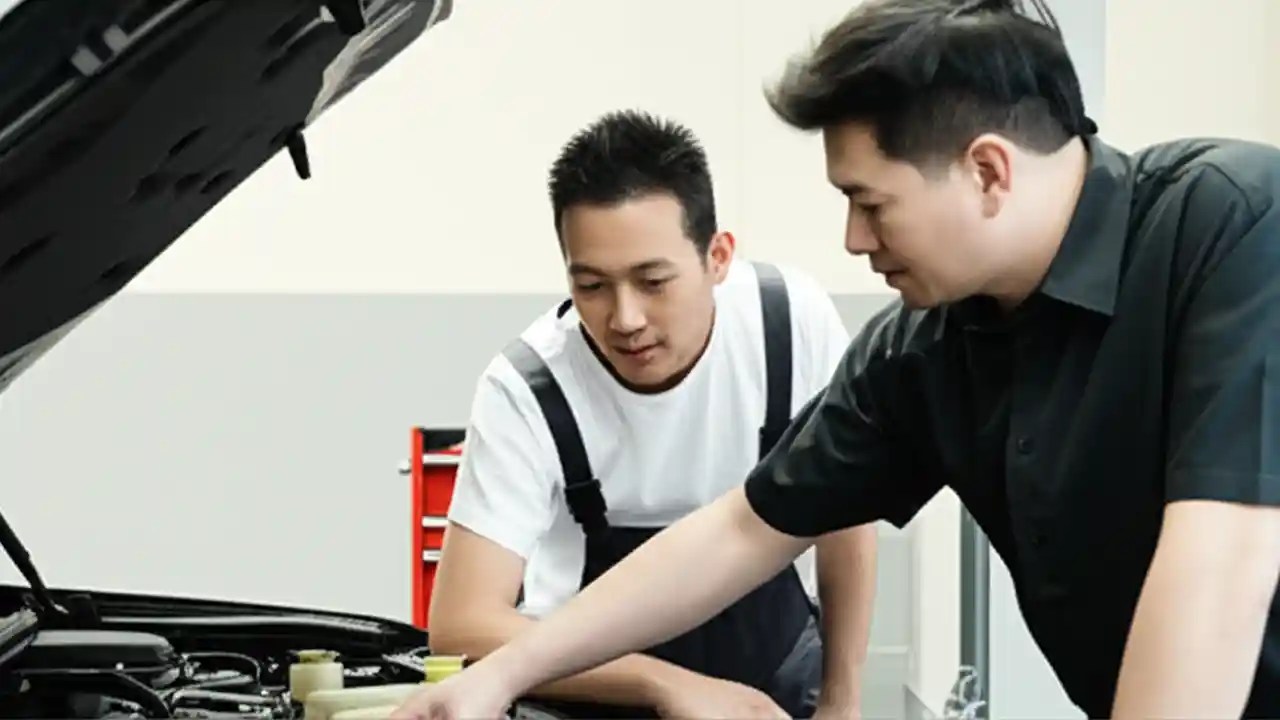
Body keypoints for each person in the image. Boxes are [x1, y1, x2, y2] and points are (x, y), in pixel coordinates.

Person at [392, 0, 1280, 717]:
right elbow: (746, 527)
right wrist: (502, 673)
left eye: (869, 202)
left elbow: (1222, 564)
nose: (853, 239)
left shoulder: (1229, 226)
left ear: (988, 172)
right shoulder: (927, 347)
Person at [412, 109, 879, 719]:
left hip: (778, 692)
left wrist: (842, 702)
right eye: (592, 286)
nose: (624, 318)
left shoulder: (789, 326)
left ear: (718, 256)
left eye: (653, 281)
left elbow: (844, 517)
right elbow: (462, 623)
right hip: (589, 697)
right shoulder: (528, 388)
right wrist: (666, 685)